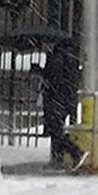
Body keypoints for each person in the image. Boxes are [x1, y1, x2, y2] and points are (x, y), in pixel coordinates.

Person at [41, 36, 82, 169]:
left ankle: (75, 152)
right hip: (66, 99)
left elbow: (53, 79)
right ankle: (58, 158)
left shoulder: (56, 58)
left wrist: (40, 72)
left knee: (56, 131)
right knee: (57, 130)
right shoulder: (69, 57)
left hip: (56, 99)